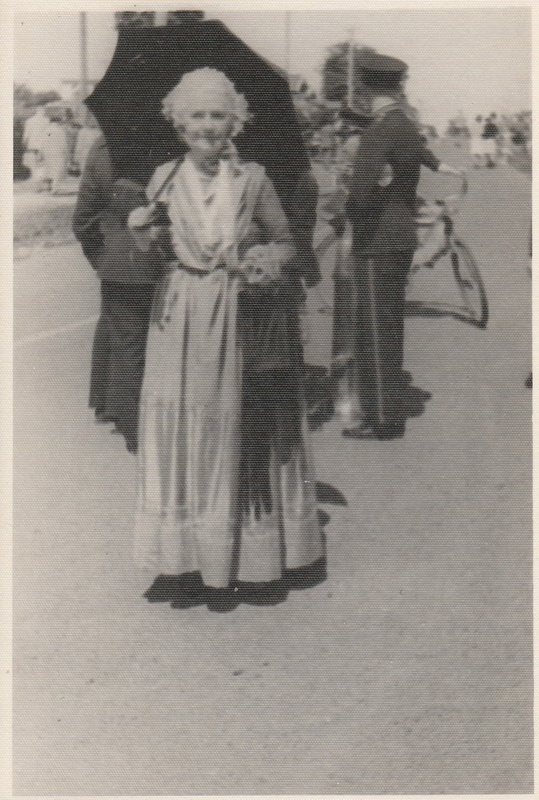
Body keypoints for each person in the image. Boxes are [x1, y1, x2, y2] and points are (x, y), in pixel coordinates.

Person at [128, 68, 323, 610]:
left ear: (235, 120)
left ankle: (243, 562)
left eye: (218, 116)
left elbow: (287, 242)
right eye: (197, 116)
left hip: (238, 318)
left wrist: (264, 259)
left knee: (234, 431)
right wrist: (144, 230)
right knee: (182, 433)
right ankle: (183, 560)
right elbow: (154, 253)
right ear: (178, 122)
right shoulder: (164, 179)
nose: (207, 127)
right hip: (179, 320)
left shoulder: (253, 178)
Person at [344, 52, 463, 440]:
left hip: (375, 238)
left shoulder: (378, 132)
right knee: (390, 325)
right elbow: (424, 158)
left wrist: (346, 211)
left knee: (374, 329)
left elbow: (360, 195)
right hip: (400, 237)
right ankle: (387, 407)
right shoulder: (405, 124)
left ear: (364, 90)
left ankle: (382, 417)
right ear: (396, 86)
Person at [72, 136, 159, 452]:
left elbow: (82, 221)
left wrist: (104, 257)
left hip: (119, 261)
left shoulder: (102, 147)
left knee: (125, 340)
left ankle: (124, 419)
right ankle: (140, 426)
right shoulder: (176, 147)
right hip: (168, 259)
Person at [40, 111, 69, 194]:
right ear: (58, 122)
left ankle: (48, 187)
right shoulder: (60, 131)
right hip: (58, 153)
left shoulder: (47, 131)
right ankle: (55, 188)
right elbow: (64, 144)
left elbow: (43, 142)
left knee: (49, 170)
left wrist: (41, 153)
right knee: (57, 171)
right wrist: (67, 155)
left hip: (48, 153)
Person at [22, 104, 48, 187]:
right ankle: (41, 183)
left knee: (34, 166)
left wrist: (24, 144)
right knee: (42, 166)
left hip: (32, 146)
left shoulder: (29, 121)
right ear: (42, 110)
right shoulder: (47, 121)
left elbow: (26, 135)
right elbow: (48, 134)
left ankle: (37, 185)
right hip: (43, 146)